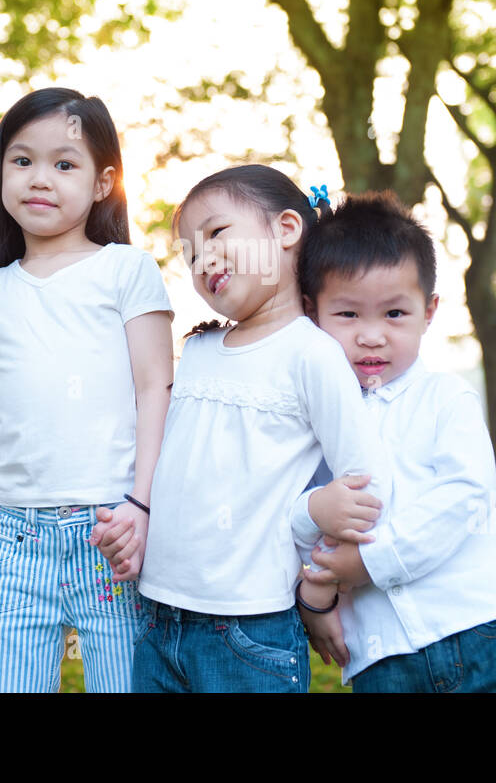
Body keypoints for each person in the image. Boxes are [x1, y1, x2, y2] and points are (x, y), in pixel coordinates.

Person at [0, 87, 173, 693]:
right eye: (22, 161)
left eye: (64, 164)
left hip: (111, 532)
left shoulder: (126, 271)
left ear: (103, 183)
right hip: (16, 540)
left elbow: (157, 391)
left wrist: (142, 507)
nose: (40, 178)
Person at [130, 166, 389, 693]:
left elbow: (366, 483)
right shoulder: (198, 351)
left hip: (250, 630)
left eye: (217, 234)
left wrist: (317, 565)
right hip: (158, 618)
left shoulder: (311, 354)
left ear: (287, 229)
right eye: (190, 254)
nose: (203, 260)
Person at [291, 191, 496, 692]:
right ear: (311, 313)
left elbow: (462, 496)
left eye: (395, 314)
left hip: (487, 630)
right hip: (382, 655)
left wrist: (367, 563)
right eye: (348, 315)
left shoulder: (445, 398)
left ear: (429, 310)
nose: (372, 336)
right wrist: (314, 574)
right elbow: (288, 517)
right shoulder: (308, 426)